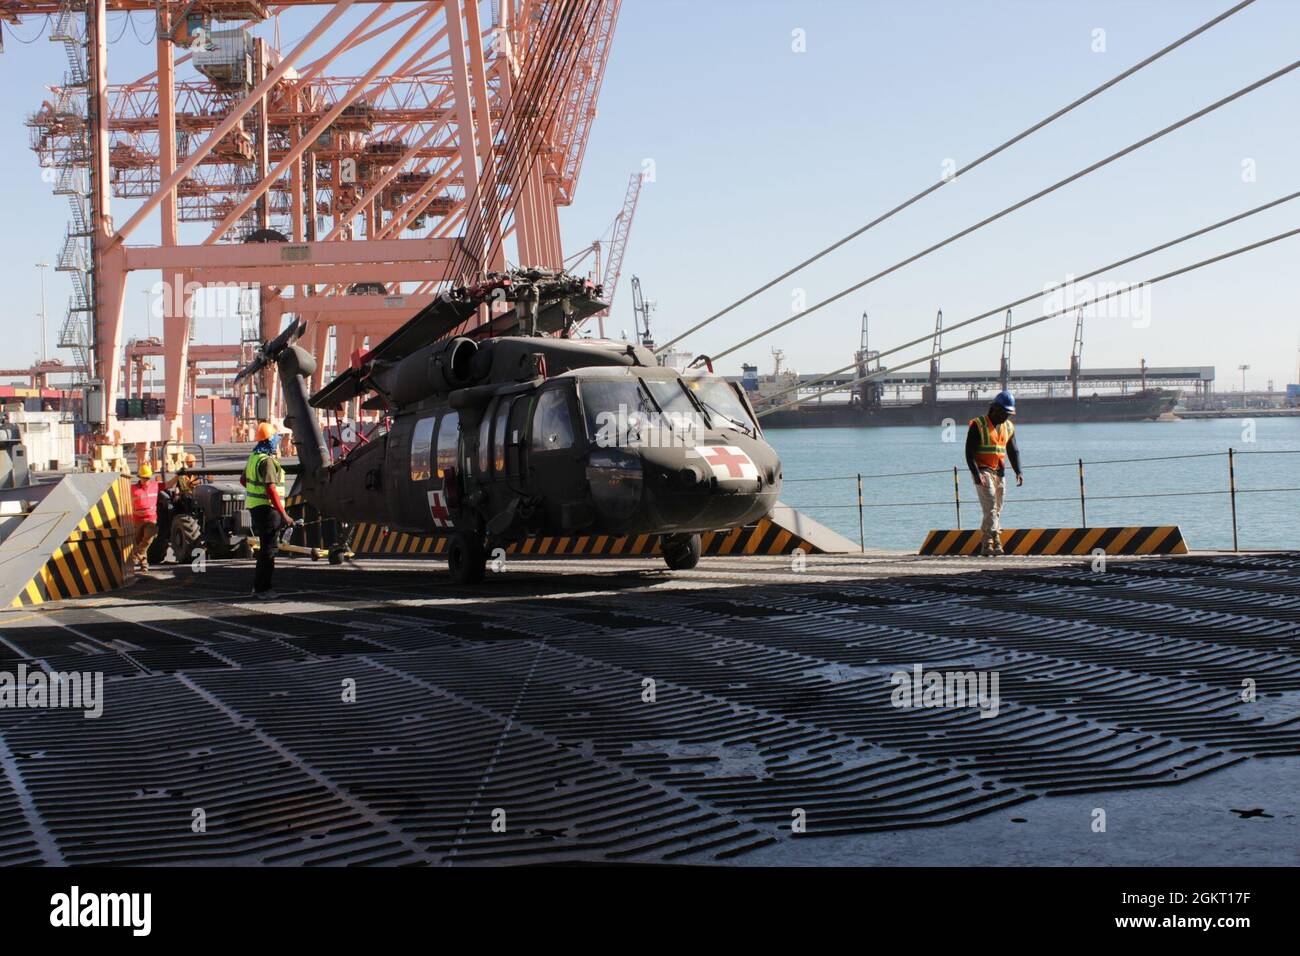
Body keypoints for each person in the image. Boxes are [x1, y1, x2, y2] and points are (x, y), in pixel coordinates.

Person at [965, 391, 1023, 557]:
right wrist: (976, 474)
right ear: (994, 409)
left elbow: (1013, 450)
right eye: (1004, 413)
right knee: (990, 506)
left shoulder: (1008, 427)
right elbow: (969, 453)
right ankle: (993, 540)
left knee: (996, 508)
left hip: (999, 471)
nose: (1006, 417)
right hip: (983, 470)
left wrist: (1018, 471)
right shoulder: (978, 425)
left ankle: (988, 539)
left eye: (1009, 414)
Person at [242, 422, 296, 598]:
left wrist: (255, 491)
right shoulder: (268, 462)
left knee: (266, 547)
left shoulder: (253, 458)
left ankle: (259, 587)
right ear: (270, 440)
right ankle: (263, 589)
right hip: (268, 510)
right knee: (269, 550)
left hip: (256, 508)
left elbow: (243, 480)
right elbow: (271, 489)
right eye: (276, 438)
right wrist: (284, 514)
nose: (278, 442)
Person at [128, 463, 160, 573]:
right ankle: (144, 565)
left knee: (147, 539)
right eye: (144, 478)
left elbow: (169, 484)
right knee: (139, 541)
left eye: (148, 478)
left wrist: (177, 476)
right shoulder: (132, 488)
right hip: (137, 520)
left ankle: (135, 556)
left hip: (151, 519)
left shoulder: (155, 485)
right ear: (140, 477)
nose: (146, 480)